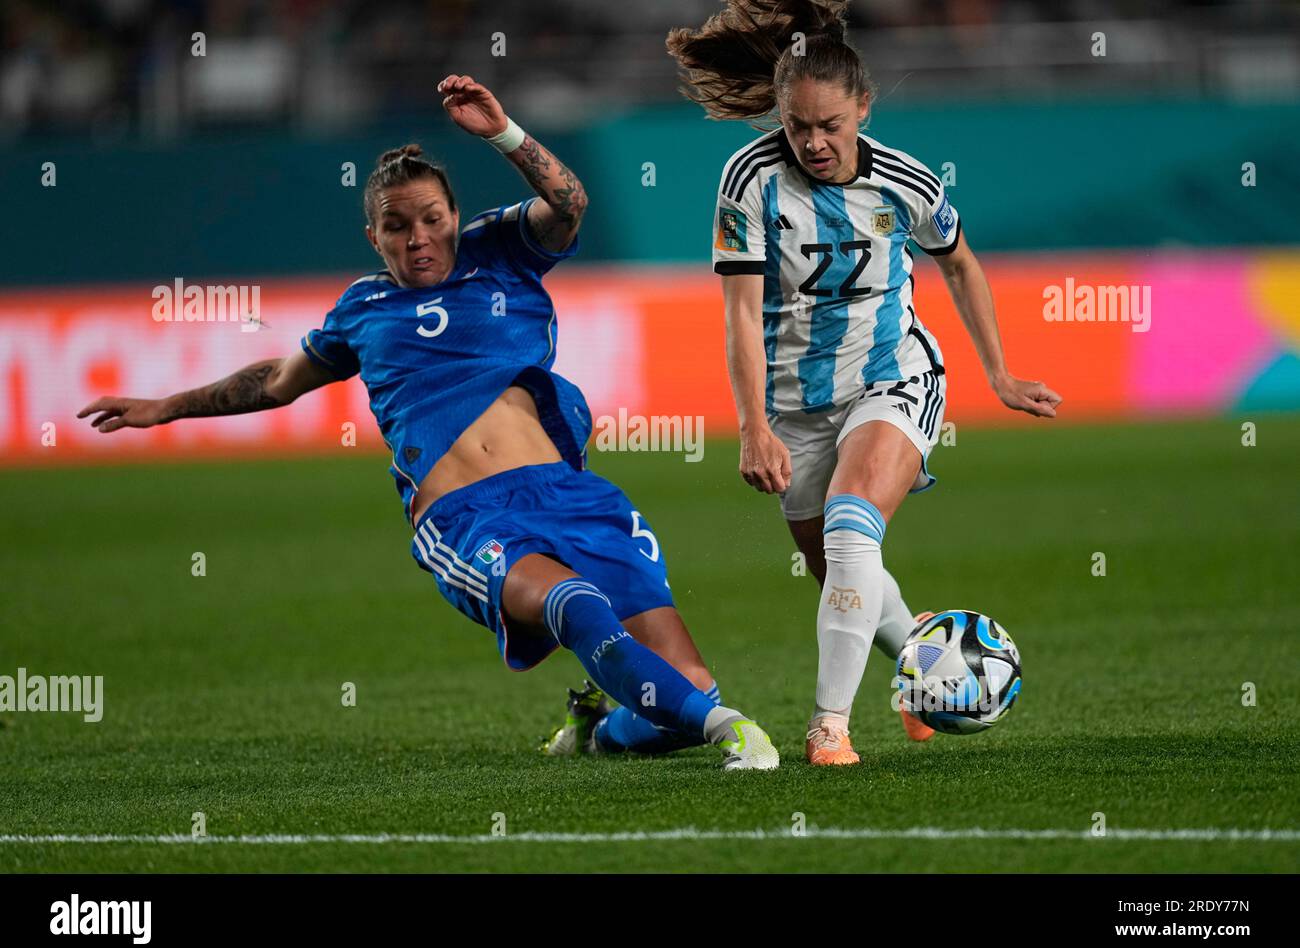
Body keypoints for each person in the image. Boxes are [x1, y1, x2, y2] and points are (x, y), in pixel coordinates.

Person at [77, 73, 779, 771]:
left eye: (431, 219)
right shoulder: (361, 310)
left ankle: (603, 729)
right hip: (469, 518)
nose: (418, 238)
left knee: (682, 692)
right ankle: (733, 730)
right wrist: (165, 406)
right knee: (575, 603)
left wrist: (502, 132)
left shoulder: (499, 251)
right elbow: (277, 382)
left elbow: (568, 202)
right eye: (397, 226)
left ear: (453, 213)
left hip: (572, 496)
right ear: (373, 236)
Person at [667, 1, 1061, 765]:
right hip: (794, 406)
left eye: (830, 125)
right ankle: (922, 673)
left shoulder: (903, 182)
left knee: (851, 532)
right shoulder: (748, 180)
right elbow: (741, 316)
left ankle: (828, 727)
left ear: (863, 110)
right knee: (839, 571)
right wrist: (754, 425)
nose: (813, 143)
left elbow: (960, 262)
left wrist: (999, 373)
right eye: (797, 125)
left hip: (892, 378)